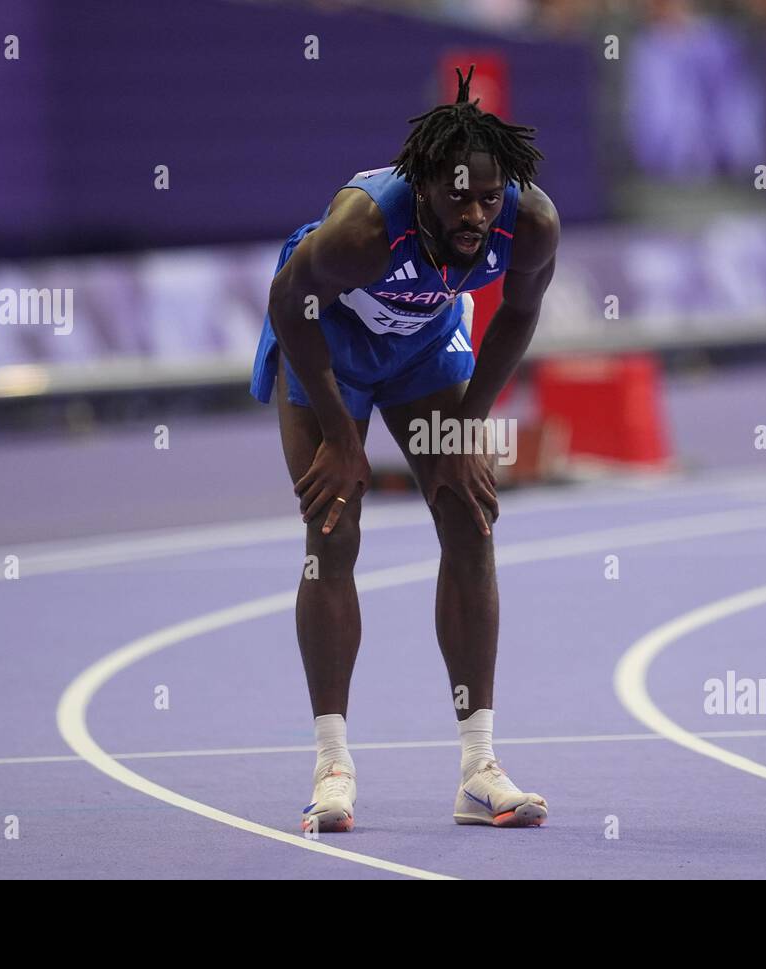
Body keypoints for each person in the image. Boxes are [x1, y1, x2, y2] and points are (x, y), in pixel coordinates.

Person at [250, 65, 560, 831]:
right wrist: (340, 434)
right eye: (460, 198)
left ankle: (479, 767)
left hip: (424, 345)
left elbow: (515, 317)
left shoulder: (531, 224)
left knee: (470, 515)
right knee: (333, 528)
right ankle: (332, 764)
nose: (477, 216)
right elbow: (290, 306)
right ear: (421, 185)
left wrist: (465, 429)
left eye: (490, 199)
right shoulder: (362, 230)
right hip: (332, 341)